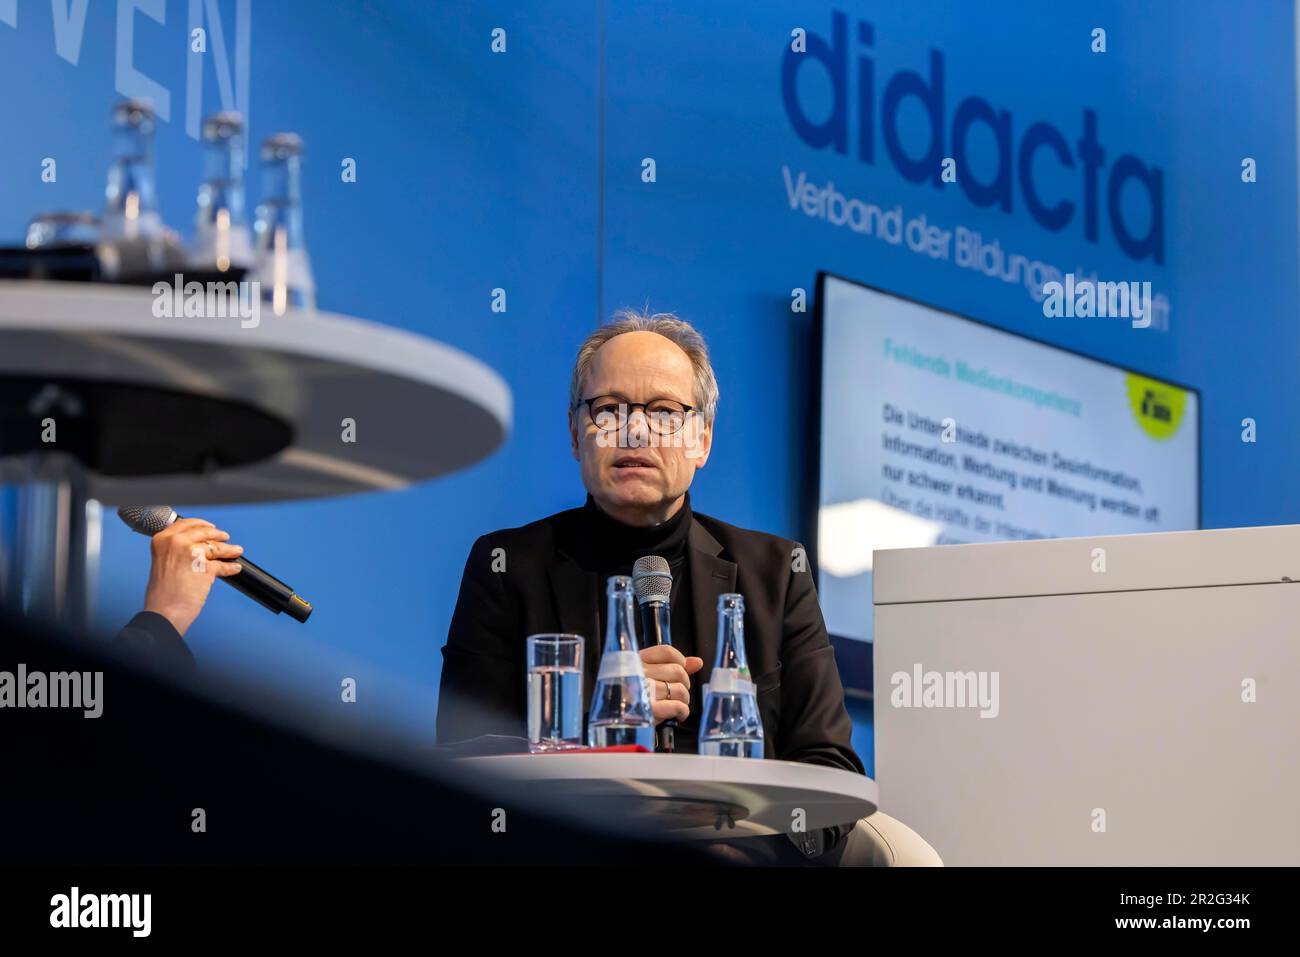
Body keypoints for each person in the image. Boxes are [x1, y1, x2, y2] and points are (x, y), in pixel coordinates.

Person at [436, 310, 865, 862]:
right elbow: (465, 756)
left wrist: (741, 845)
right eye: (609, 409)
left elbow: (828, 767)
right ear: (576, 434)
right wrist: (605, 716)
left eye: (664, 412)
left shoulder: (777, 574)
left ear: (702, 440)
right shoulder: (507, 564)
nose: (634, 430)